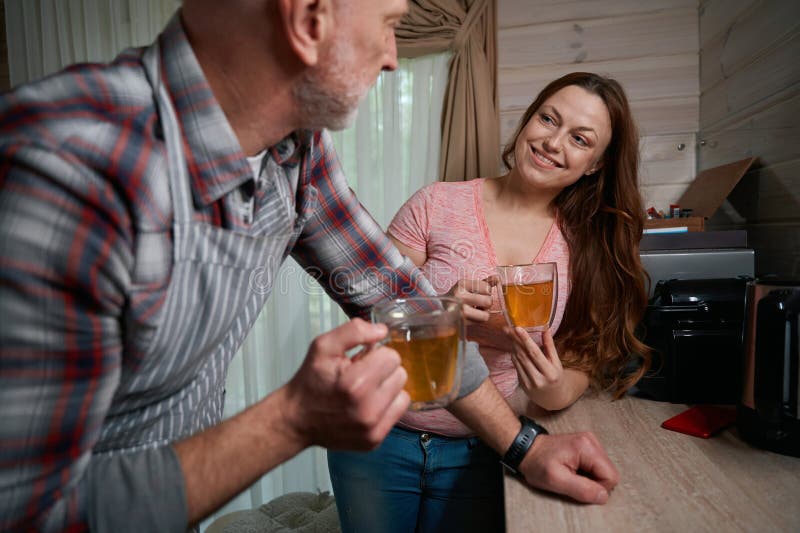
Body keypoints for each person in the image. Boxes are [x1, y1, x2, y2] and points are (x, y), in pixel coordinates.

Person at [0, 1, 619, 530]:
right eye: (387, 24)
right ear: (308, 19)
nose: (391, 57)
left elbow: (401, 296)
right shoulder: (67, 173)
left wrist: (524, 449)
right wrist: (290, 419)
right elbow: (30, 511)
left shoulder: (296, 153)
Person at [328, 72, 651, 532]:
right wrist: (440, 309)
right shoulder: (435, 203)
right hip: (375, 437)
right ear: (528, 120)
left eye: (579, 139)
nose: (553, 142)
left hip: (487, 450)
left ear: (596, 164)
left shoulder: (586, 247)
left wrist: (550, 390)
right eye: (548, 119)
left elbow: (588, 352)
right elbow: (374, 316)